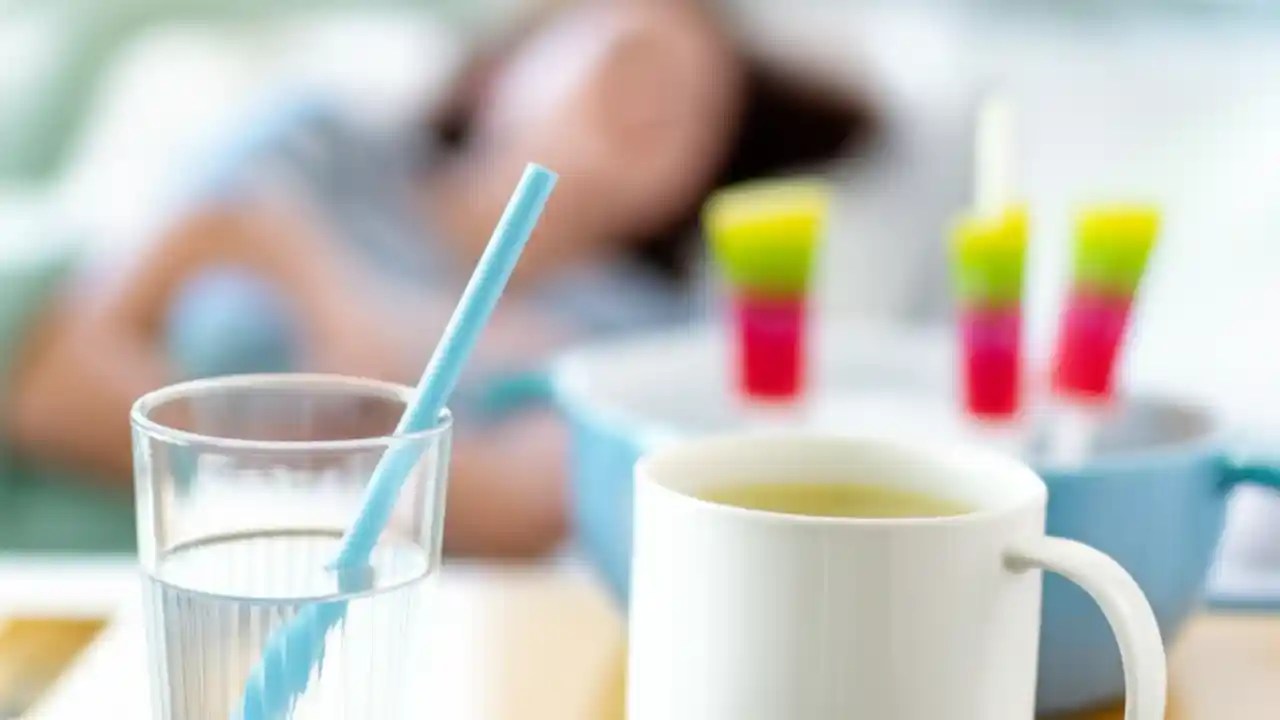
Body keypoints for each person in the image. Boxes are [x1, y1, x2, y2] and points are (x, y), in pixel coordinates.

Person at [2, 0, 873, 556]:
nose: (658, 106)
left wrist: (216, 430)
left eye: (700, 115)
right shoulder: (318, 144)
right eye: (630, 60)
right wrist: (325, 299)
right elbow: (49, 381)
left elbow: (518, 516)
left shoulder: (640, 332)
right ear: (502, 73)